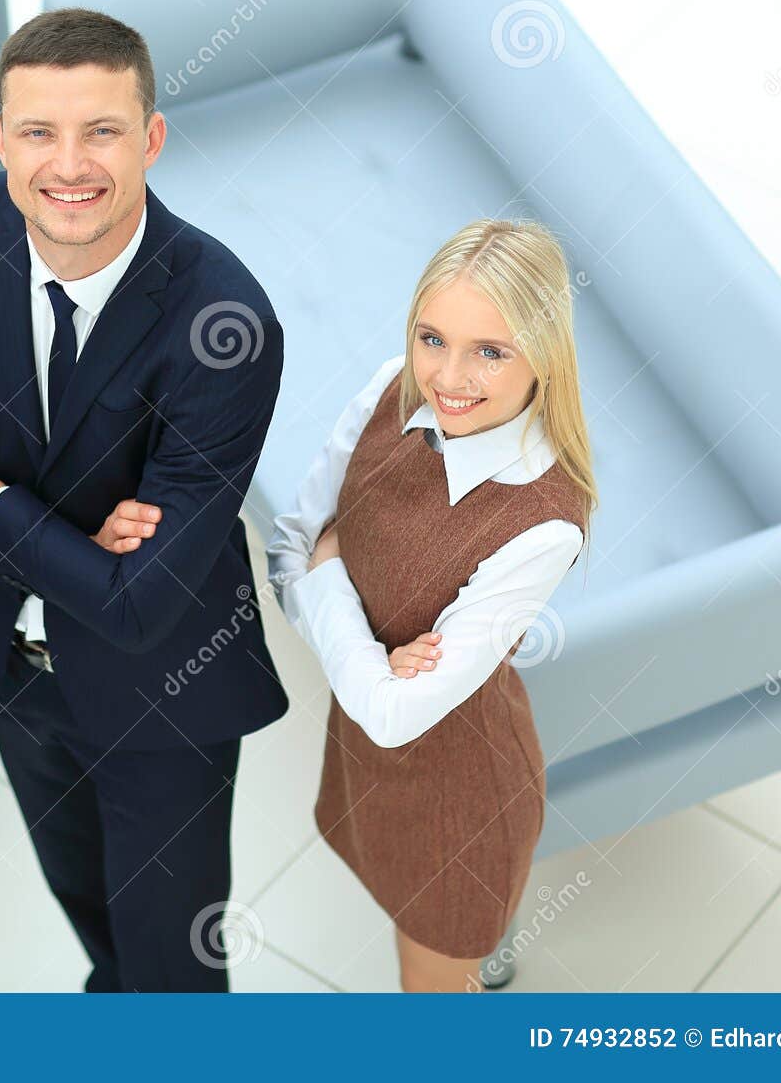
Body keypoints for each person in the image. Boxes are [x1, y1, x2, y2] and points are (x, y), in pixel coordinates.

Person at [0, 8, 288, 991]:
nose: (69, 164)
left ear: (152, 138)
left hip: (162, 701)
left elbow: (138, 608)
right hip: (6, 663)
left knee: (172, 972)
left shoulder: (224, 320)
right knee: (90, 916)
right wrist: (75, 545)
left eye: (102, 130)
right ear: (2, 139)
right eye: (39, 132)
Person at [267, 220, 597, 992]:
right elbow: (286, 552)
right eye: (433, 338)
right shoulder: (394, 386)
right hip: (364, 757)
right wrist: (370, 659)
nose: (448, 377)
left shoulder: (545, 522)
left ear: (545, 355)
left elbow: (394, 714)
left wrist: (328, 575)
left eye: (491, 351)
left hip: (460, 803)